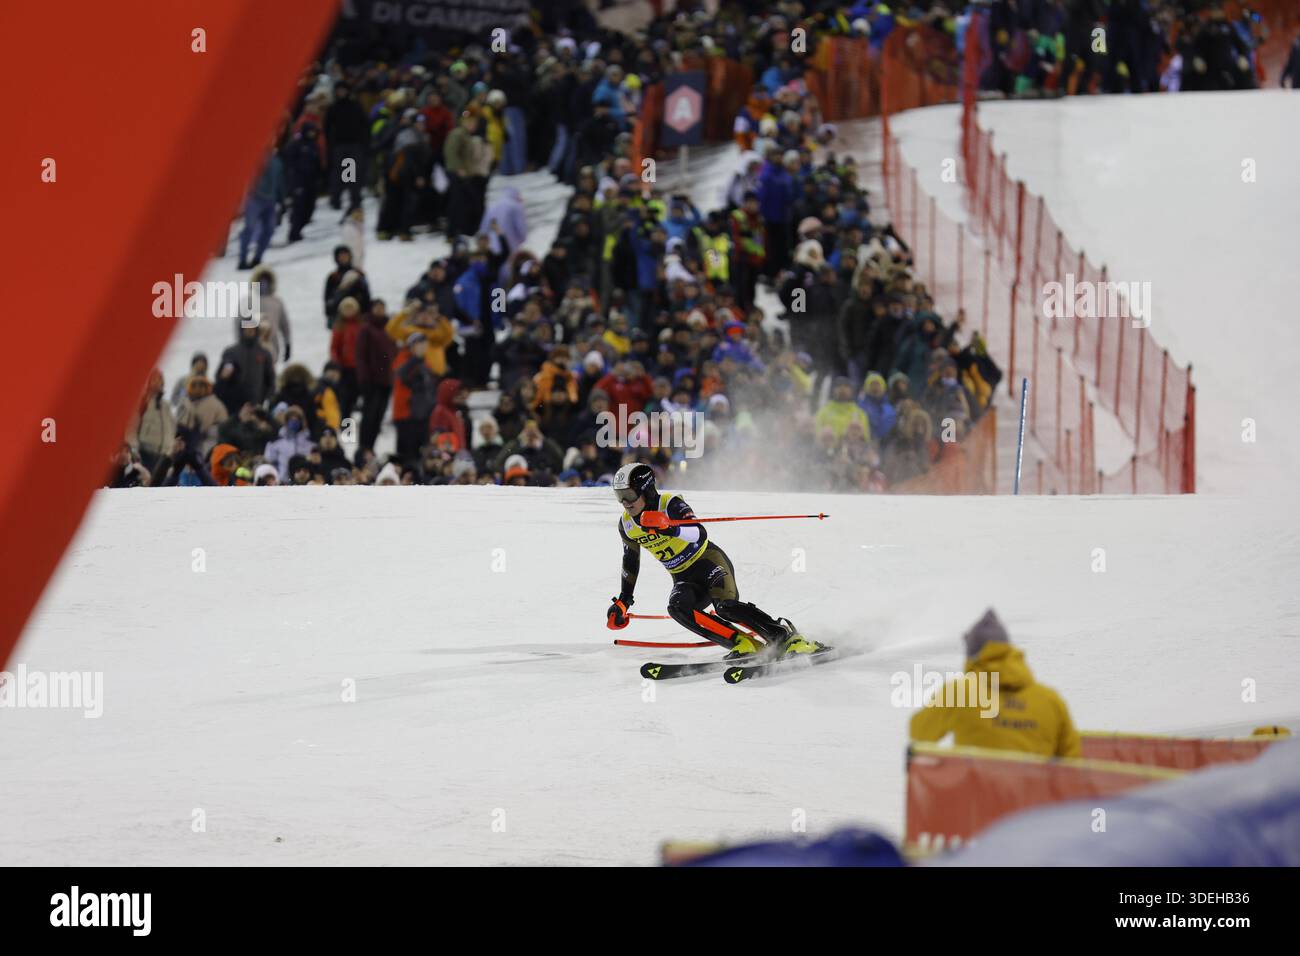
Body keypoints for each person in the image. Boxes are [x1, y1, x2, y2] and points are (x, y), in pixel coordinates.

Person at [603, 462, 821, 660]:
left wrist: (670, 528)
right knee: (677, 608)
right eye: (619, 496)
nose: (625, 502)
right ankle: (743, 643)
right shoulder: (627, 525)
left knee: (725, 607)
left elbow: (699, 533)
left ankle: (786, 637)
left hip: (709, 562)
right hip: (683, 577)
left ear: (646, 491)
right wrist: (624, 600)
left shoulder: (670, 505)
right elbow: (630, 561)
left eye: (629, 495)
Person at [909, 609, 1081, 758]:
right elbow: (1071, 760)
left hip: (977, 794)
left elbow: (919, 732)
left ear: (973, 657)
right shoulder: (1049, 700)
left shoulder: (960, 692)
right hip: (1038, 795)